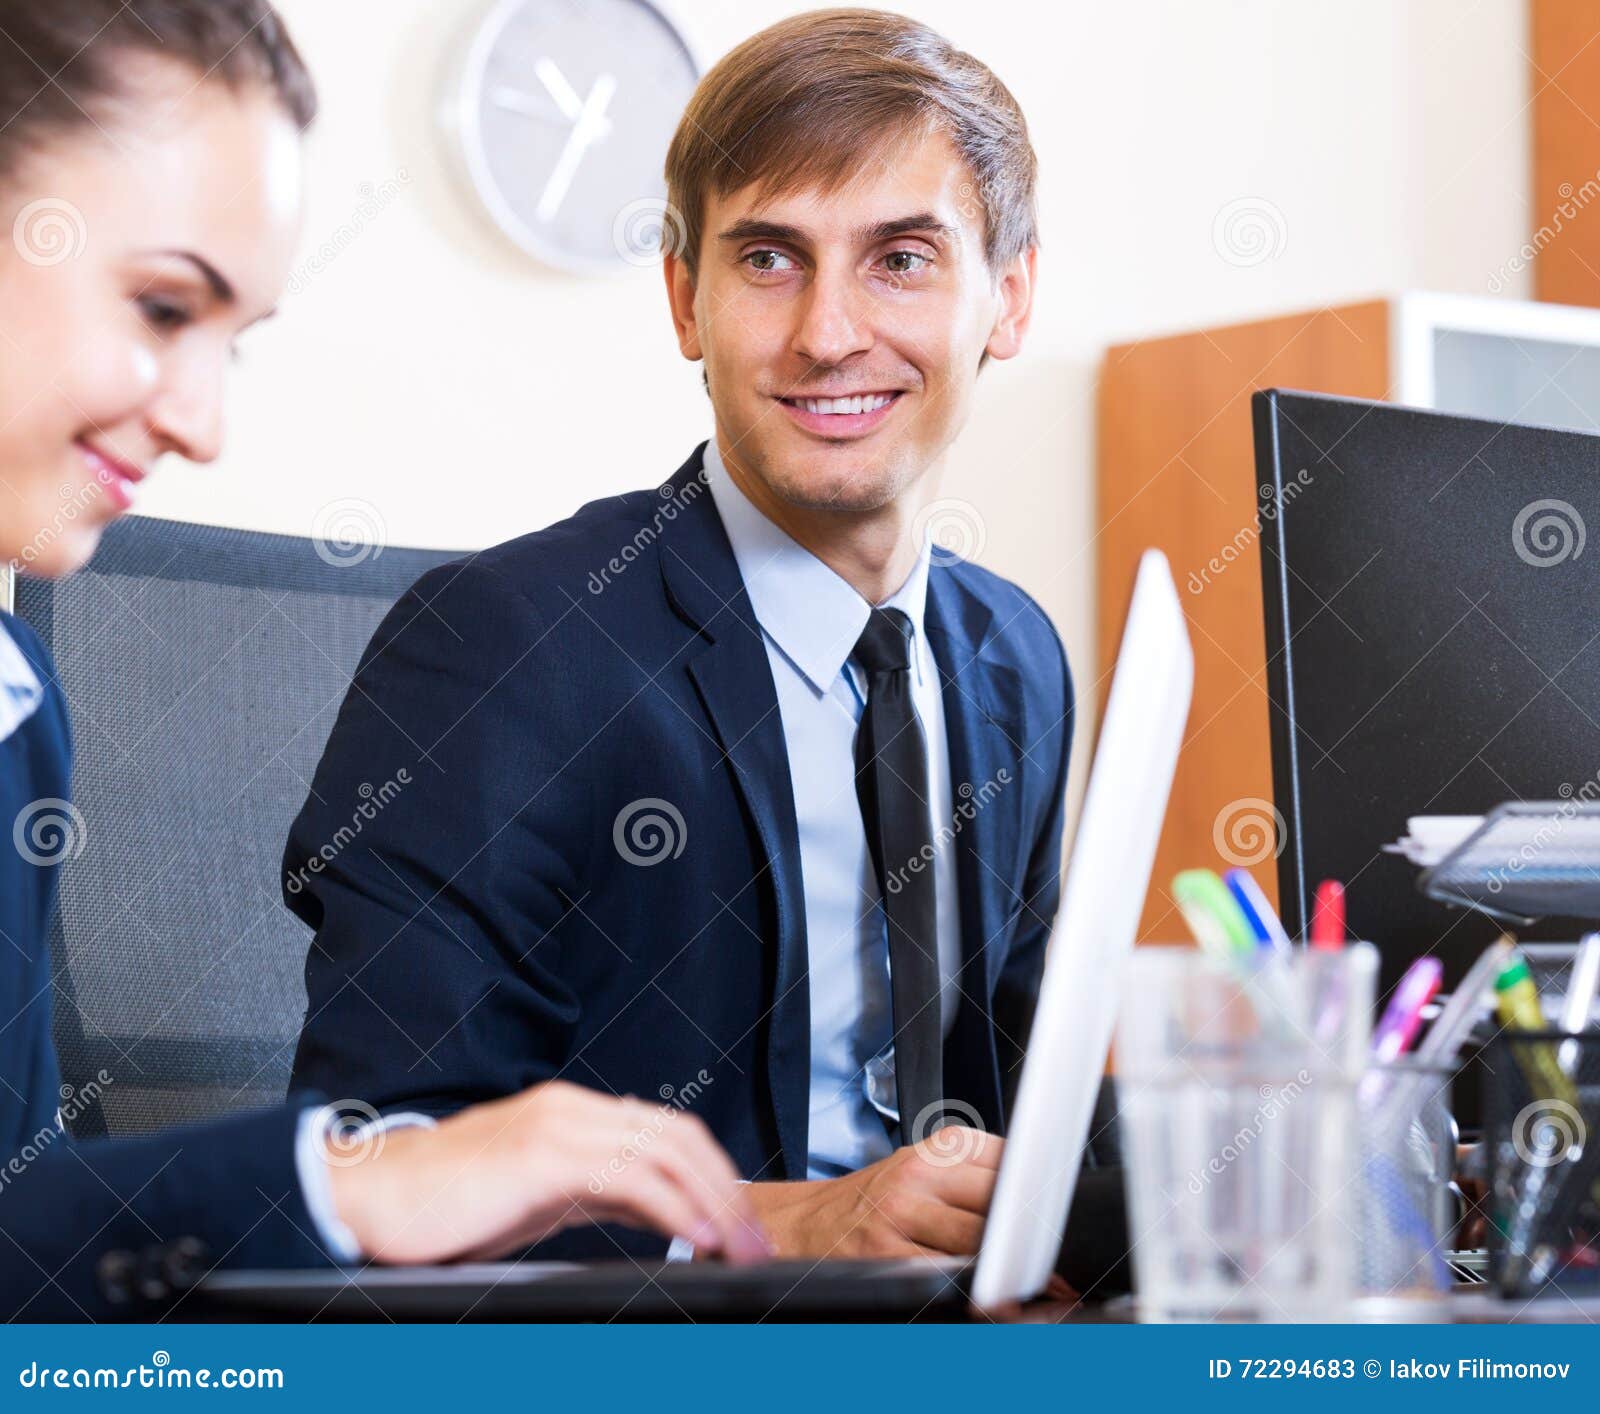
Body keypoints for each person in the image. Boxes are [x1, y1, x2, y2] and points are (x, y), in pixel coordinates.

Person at [288, 8, 1126, 1282]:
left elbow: (1021, 1079)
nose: (829, 333)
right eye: (769, 260)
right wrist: (778, 1222)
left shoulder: (1015, 655)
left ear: (1005, 299)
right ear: (685, 298)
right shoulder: (510, 644)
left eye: (899, 259)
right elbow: (388, 1152)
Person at [0, 0, 766, 1322]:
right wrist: (348, 1182)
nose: (202, 420)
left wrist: (355, 1178)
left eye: (230, 340)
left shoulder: (14, 703)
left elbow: (17, 1239)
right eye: (162, 303)